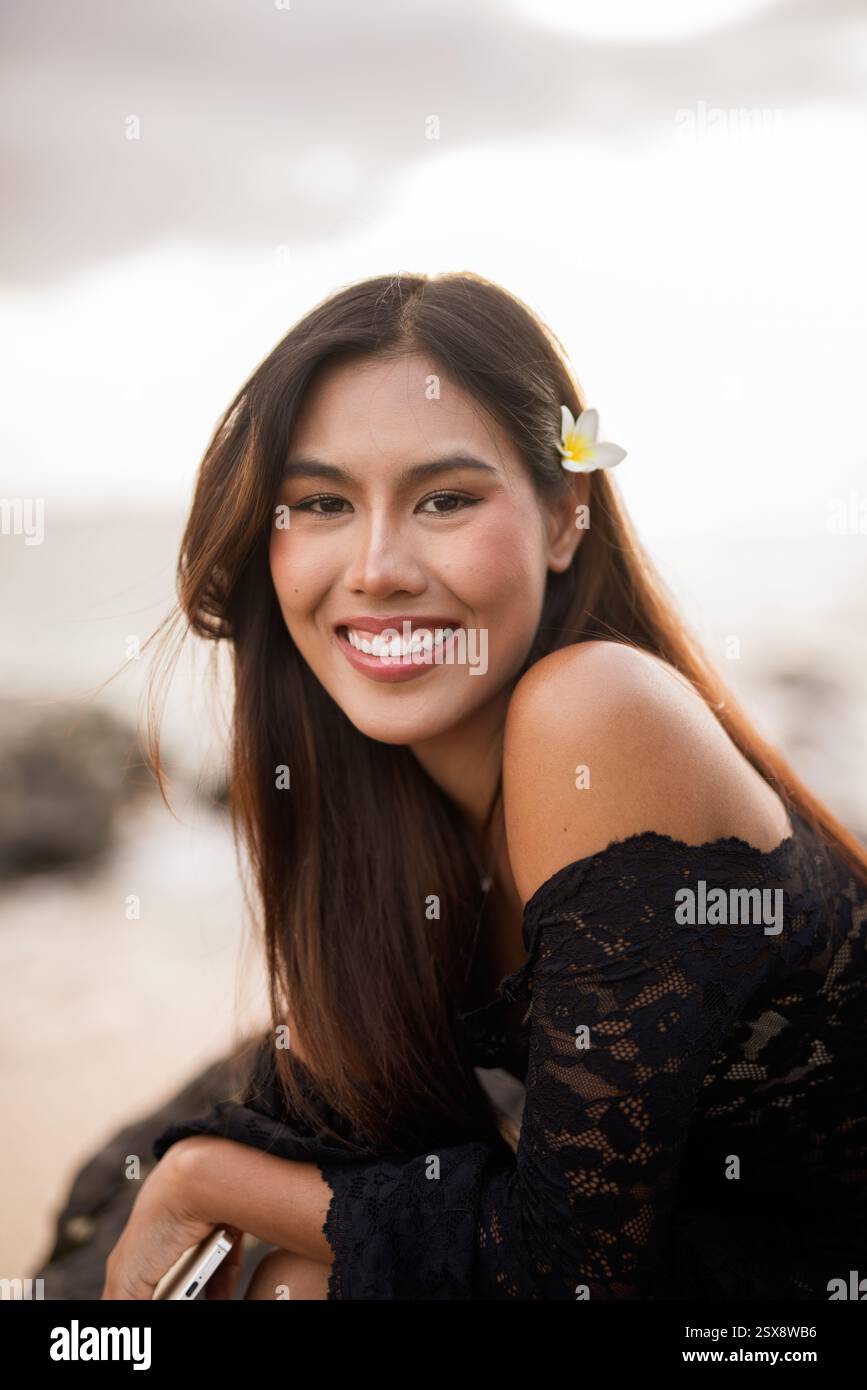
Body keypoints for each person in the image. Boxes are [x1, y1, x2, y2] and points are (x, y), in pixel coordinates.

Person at [101, 271, 867, 1301]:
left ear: (564, 518)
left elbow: (567, 1274)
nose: (376, 567)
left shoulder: (596, 709)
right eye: (323, 502)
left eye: (445, 499)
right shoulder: (383, 808)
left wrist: (202, 1182)